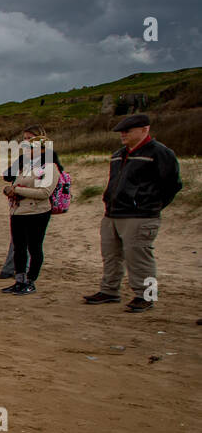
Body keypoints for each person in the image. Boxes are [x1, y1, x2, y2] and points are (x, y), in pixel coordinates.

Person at [83, 114, 182, 312]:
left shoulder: (160, 152)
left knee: (140, 259)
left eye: (127, 131)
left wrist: (150, 205)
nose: (122, 134)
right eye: (121, 131)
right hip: (113, 213)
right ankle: (109, 291)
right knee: (111, 256)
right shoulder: (119, 154)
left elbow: (172, 185)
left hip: (140, 216)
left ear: (144, 129)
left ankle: (147, 297)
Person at [0, 127, 57, 295]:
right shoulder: (25, 166)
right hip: (18, 212)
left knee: (34, 247)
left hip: (37, 213)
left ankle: (31, 280)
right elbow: (13, 181)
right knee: (19, 247)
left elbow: (45, 192)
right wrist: (9, 190)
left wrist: (17, 190)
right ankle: (19, 280)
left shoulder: (50, 167)